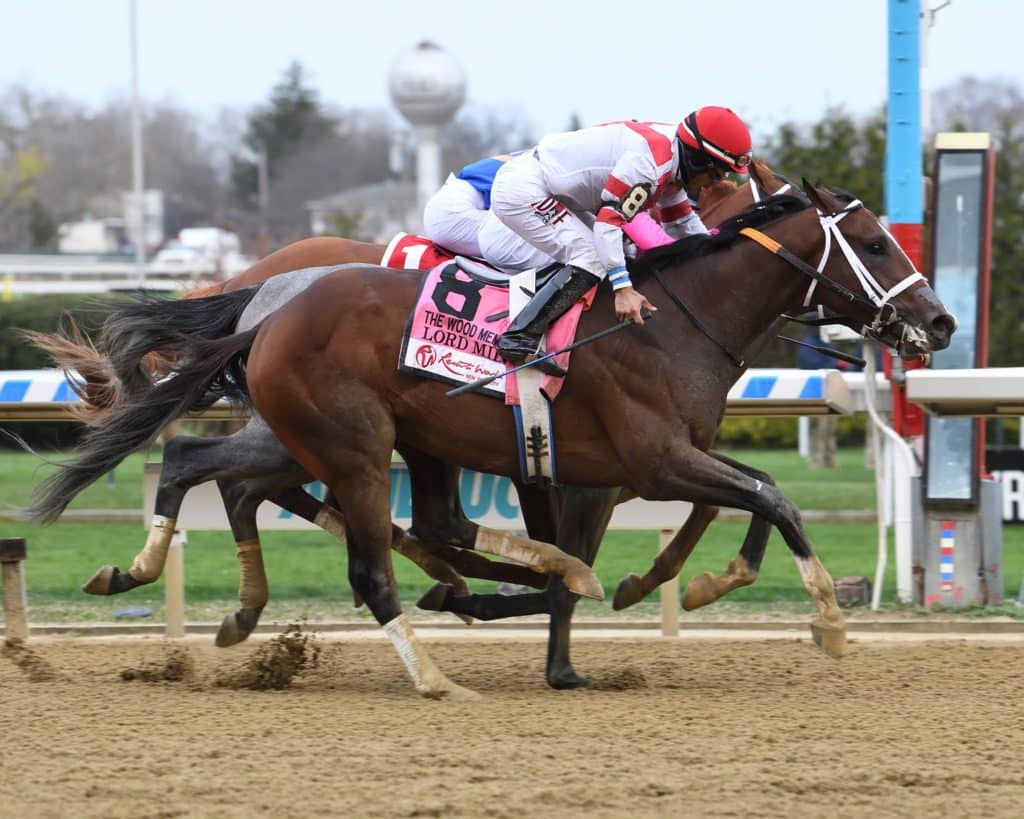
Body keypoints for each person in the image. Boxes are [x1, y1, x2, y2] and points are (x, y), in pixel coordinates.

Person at [487, 107, 753, 373]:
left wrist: (719, 260)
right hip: (526, 189)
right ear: (697, 159)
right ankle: (519, 337)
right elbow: (607, 225)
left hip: (556, 192)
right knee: (593, 257)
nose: (714, 184)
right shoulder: (649, 165)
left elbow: (681, 224)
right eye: (717, 173)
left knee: (614, 256)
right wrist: (623, 290)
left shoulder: (674, 160)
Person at [422, 152, 555, 271]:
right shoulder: (551, 162)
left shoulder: (544, 155)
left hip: (449, 205)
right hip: (454, 210)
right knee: (555, 250)